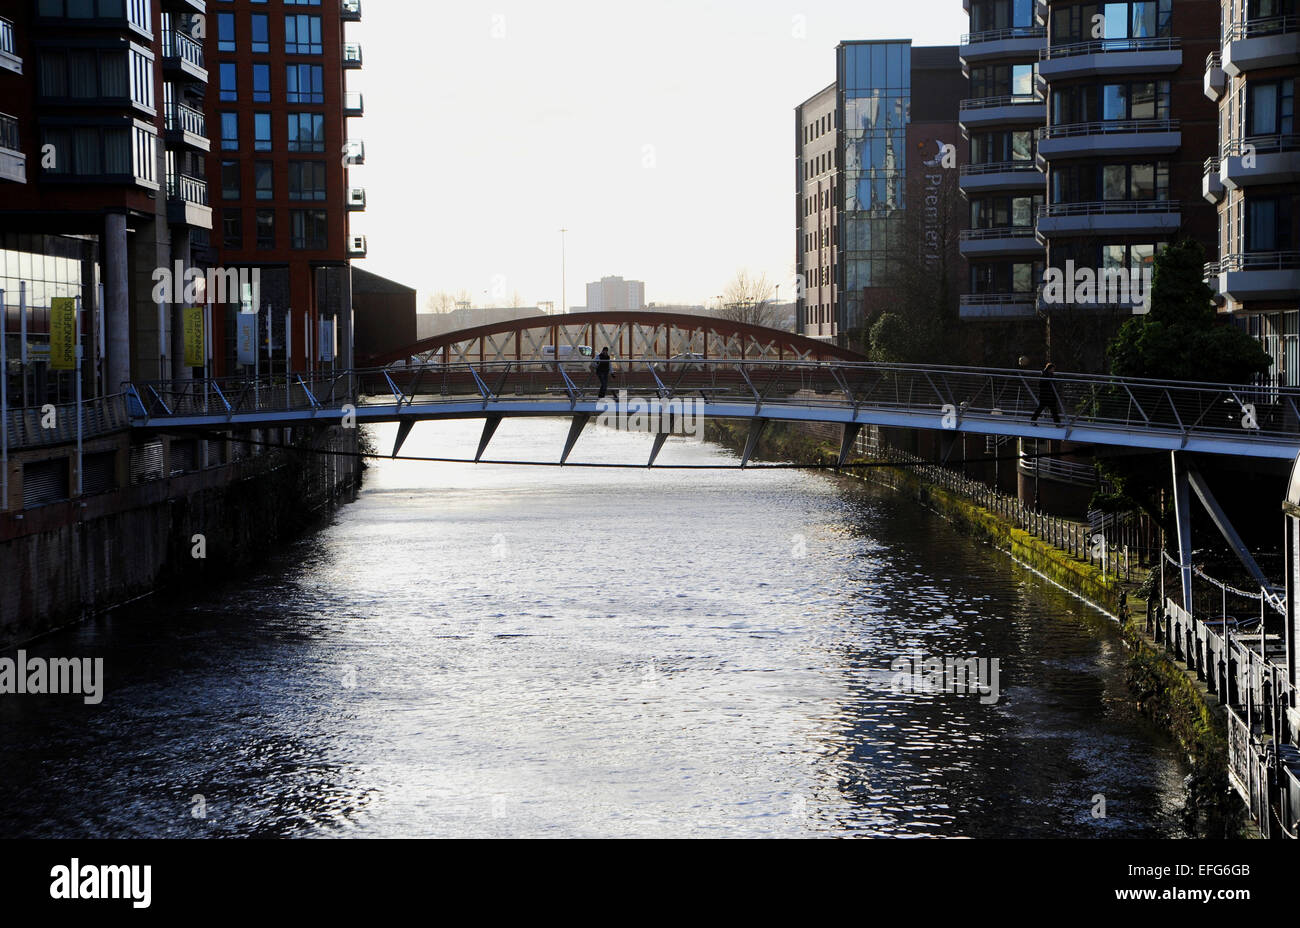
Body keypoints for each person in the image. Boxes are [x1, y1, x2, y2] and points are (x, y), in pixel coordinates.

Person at [1030, 361, 1060, 426]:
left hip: (1048, 396)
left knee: (1052, 410)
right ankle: (1057, 424)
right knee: (1048, 409)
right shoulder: (1044, 375)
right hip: (1045, 395)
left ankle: (1033, 420)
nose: (1053, 370)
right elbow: (1041, 384)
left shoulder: (1050, 375)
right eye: (1053, 369)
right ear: (1049, 369)